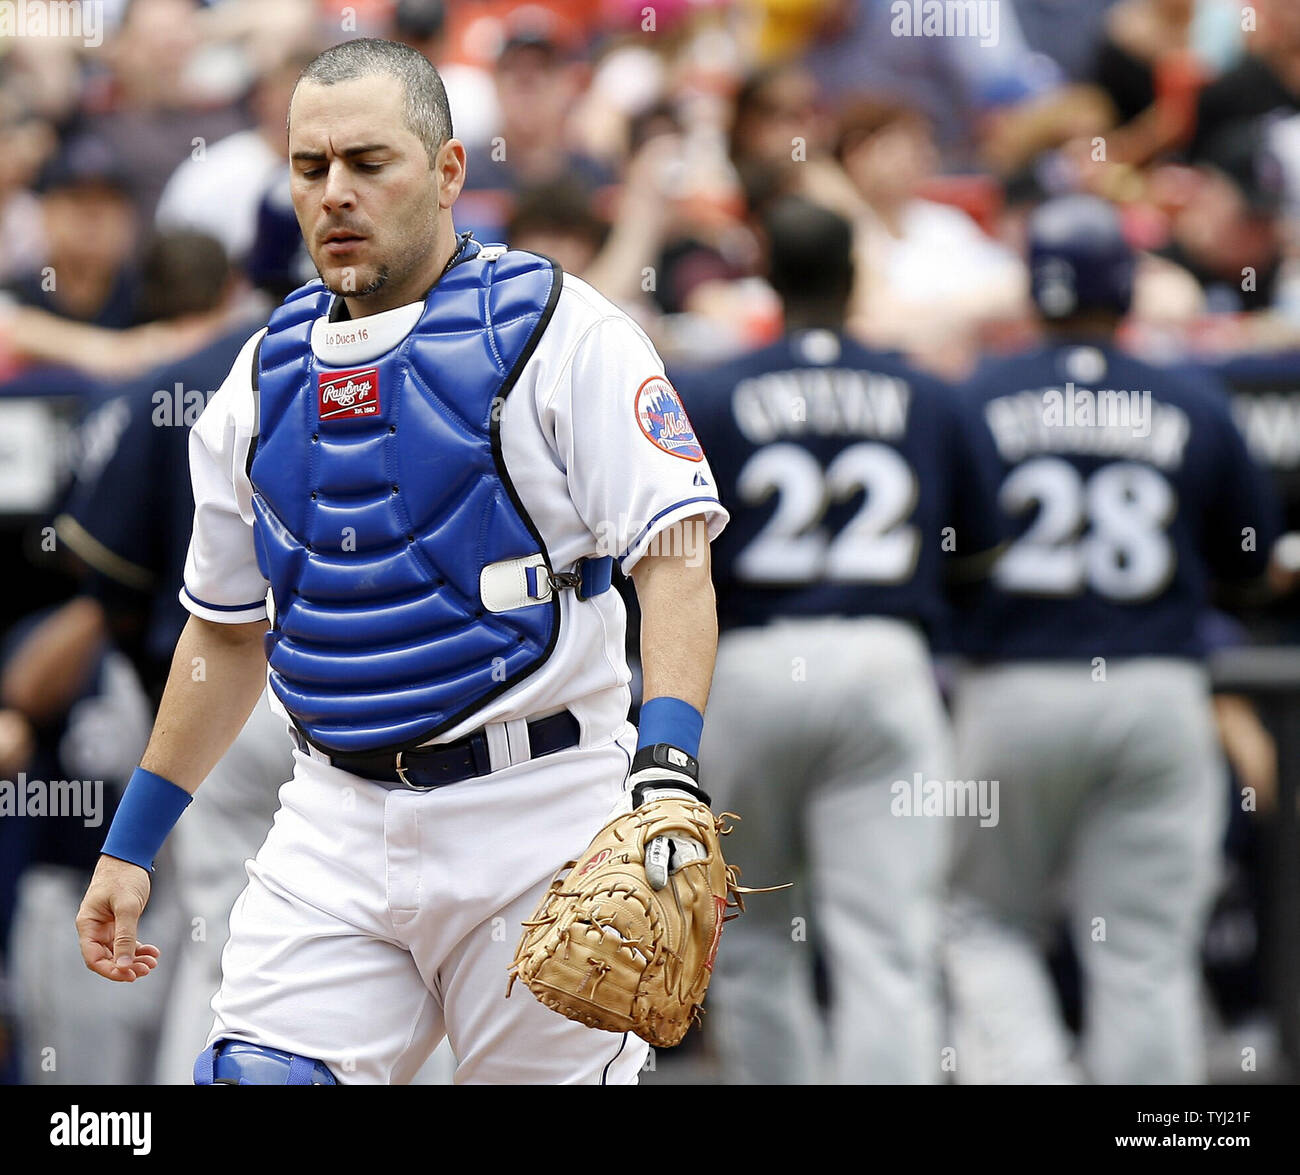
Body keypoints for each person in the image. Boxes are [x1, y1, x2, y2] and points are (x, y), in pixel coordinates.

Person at [74, 37, 728, 1086]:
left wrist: (668, 765)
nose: (334, 193)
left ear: (449, 170)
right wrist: (132, 839)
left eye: (369, 163)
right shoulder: (259, 374)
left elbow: (674, 554)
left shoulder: (563, 330)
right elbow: (225, 631)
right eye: (310, 166)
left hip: (541, 810)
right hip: (334, 812)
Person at [945, 194, 1280, 1084]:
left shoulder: (978, 394)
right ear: (1126, 286)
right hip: (1158, 690)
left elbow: (945, 558)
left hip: (1011, 687)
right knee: (1144, 949)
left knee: (982, 921)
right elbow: (1248, 567)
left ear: (1036, 288)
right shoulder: (1192, 398)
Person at [675, 197, 1005, 1083]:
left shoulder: (710, 389)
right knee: (887, 942)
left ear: (769, 281)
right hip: (885, 659)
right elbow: (981, 551)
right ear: (855, 278)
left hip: (745, 662)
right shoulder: (927, 390)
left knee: (748, 945)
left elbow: (669, 552)